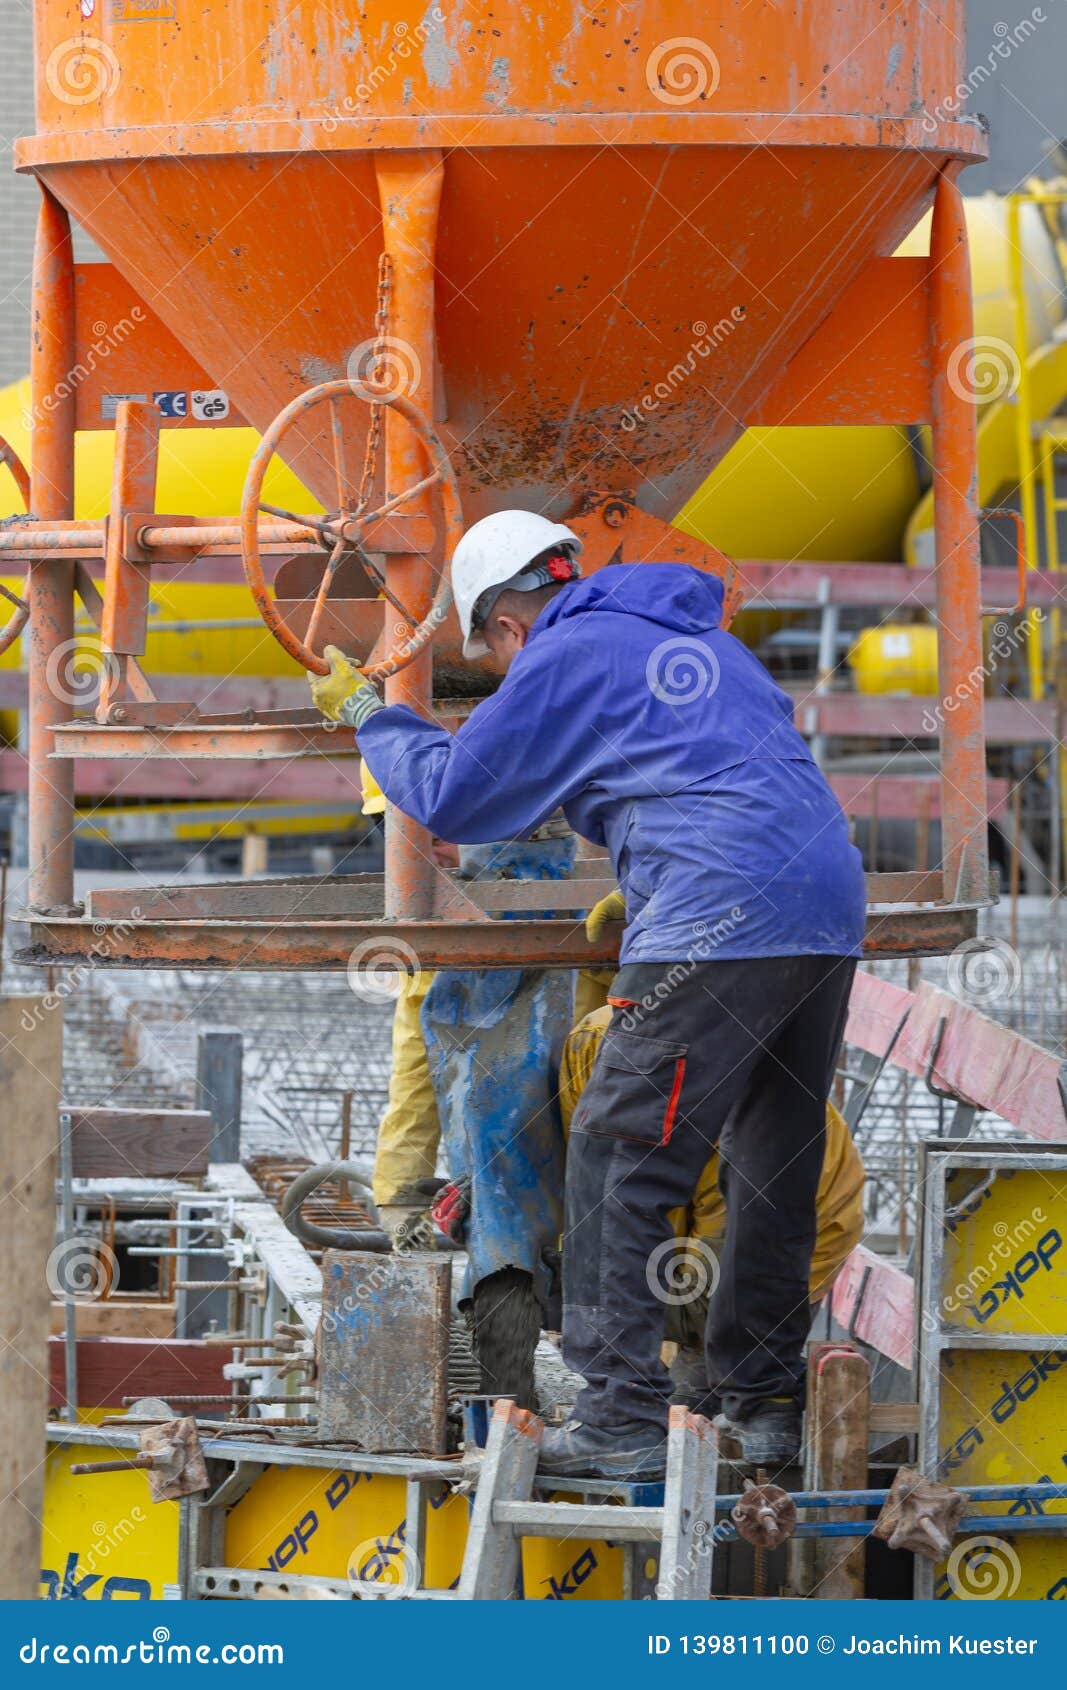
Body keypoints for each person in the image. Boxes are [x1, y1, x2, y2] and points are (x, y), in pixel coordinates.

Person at [310, 508, 867, 1478]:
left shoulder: (562, 655)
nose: (503, 677)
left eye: (492, 661)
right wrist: (646, 878)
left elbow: (451, 794)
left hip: (716, 913)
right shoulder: (701, 643)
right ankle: (762, 1407)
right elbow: (723, 778)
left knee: (617, 1151)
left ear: (508, 626)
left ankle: (616, 1413)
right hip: (821, 907)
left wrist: (369, 715)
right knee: (775, 1154)